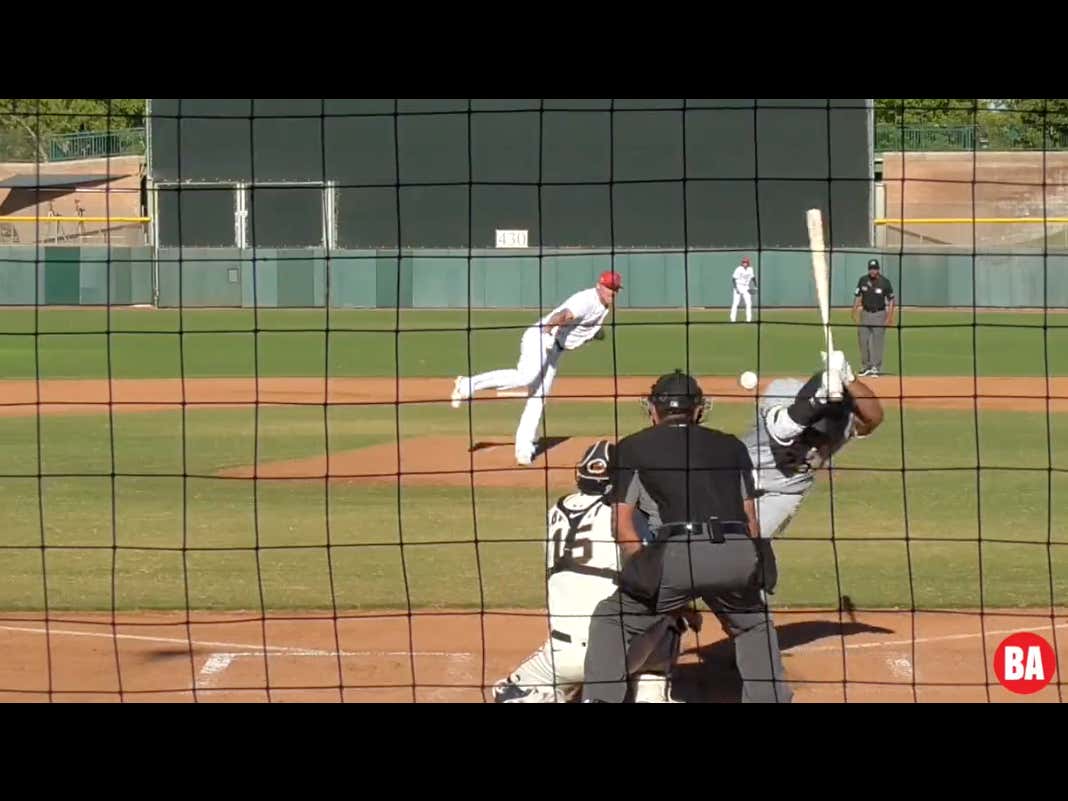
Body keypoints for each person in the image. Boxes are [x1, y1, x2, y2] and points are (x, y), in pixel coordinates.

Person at [581, 369, 792, 703]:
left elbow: (622, 525)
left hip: (677, 555)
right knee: (754, 625)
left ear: (653, 408)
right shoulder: (731, 445)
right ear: (699, 409)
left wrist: (646, 570)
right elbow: (751, 519)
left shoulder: (632, 447)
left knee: (611, 620)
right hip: (737, 552)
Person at [491, 440, 679, 703]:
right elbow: (658, 574)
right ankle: (651, 694)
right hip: (620, 651)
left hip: (561, 653)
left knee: (508, 692)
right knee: (671, 619)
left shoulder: (554, 511)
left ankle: (551, 694)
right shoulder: (630, 516)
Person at [450, 271, 622, 465]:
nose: (612, 292)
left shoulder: (603, 305)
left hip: (555, 349)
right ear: (599, 285)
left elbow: (584, 324)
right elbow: (564, 314)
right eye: (609, 288)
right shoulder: (587, 300)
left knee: (538, 398)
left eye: (615, 289)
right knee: (525, 377)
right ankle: (468, 383)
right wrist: (547, 331)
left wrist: (595, 332)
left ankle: (524, 449)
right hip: (541, 338)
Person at [746, 354, 885, 545]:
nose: (816, 440)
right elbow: (782, 430)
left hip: (785, 494)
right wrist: (819, 399)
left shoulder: (841, 423)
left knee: (751, 549)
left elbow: (874, 418)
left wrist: (849, 378)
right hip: (740, 475)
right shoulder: (783, 390)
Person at [851, 258, 895, 377]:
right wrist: (854, 310)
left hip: (879, 314)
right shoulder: (863, 280)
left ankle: (876, 367)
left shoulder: (885, 282)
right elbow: (858, 295)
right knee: (862, 340)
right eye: (871, 269)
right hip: (865, 313)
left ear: (878, 269)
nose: (873, 271)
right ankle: (866, 366)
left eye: (875, 269)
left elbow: (891, 299)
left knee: (877, 342)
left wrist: (890, 317)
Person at [730, 256, 757, 323]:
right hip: (738, 285)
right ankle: (733, 319)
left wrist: (756, 286)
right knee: (735, 303)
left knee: (748, 303)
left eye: (746, 262)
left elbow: (753, 278)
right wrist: (736, 288)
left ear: (748, 263)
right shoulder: (738, 269)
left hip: (746, 287)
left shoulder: (750, 269)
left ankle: (748, 320)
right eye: (743, 262)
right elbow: (733, 279)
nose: (744, 263)